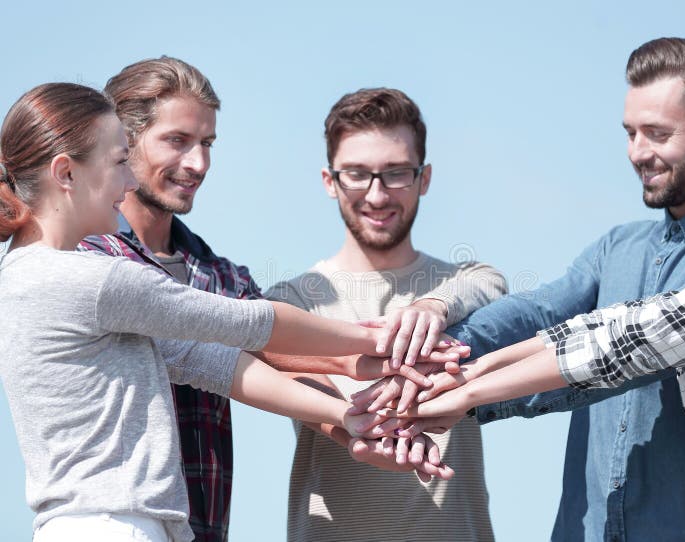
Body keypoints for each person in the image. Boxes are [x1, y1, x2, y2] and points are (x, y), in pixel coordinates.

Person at [353, 38, 685, 541]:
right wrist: (432, 352)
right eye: (630, 132)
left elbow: (625, 358)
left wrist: (465, 392)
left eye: (657, 134)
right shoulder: (617, 247)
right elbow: (536, 311)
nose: (638, 152)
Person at [0, 82, 406, 542]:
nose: (129, 181)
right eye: (119, 163)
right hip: (116, 525)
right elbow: (244, 323)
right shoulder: (97, 279)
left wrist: (347, 414)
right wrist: (373, 338)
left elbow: (204, 359)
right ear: (66, 173)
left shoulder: (20, 276)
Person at [77, 58, 459, 541]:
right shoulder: (87, 260)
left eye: (207, 144)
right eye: (177, 141)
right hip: (112, 524)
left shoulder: (221, 275)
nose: (198, 164)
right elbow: (219, 350)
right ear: (122, 143)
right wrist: (364, 354)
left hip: (202, 530)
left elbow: (281, 364)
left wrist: (360, 426)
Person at [265, 87, 506, 541]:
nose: (376, 195)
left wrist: (433, 306)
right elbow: (282, 373)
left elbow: (491, 284)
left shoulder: (465, 283)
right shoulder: (293, 300)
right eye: (356, 174)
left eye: (396, 173)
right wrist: (357, 424)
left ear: (424, 177)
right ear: (328, 180)